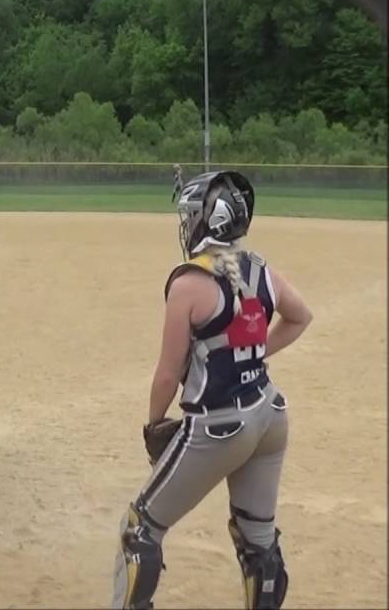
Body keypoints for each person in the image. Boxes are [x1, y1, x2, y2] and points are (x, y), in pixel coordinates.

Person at [112, 171, 311, 610]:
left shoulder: (188, 283)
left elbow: (168, 373)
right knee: (257, 540)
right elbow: (300, 316)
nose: (187, 224)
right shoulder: (260, 269)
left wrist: (153, 424)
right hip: (269, 416)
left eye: (192, 215)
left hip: (219, 427)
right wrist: (254, 353)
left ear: (210, 221)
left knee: (139, 529)